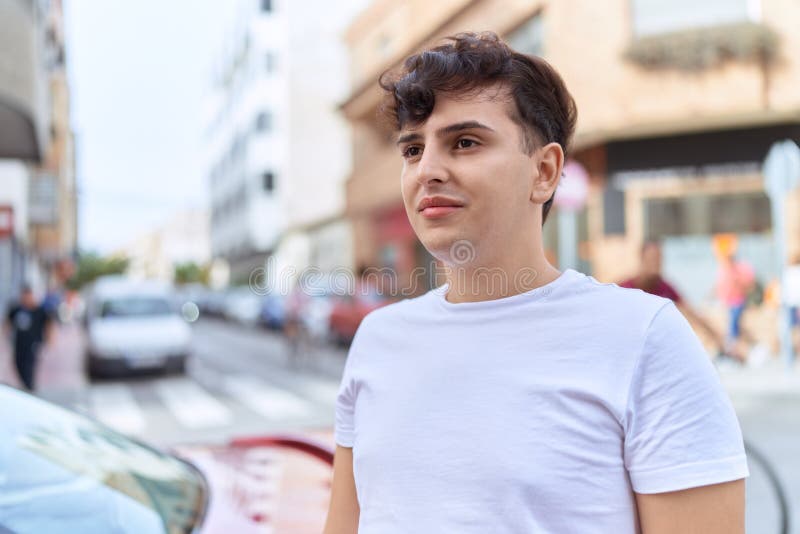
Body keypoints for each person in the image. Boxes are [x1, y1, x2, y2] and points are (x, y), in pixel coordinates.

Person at [324, 32, 747, 533]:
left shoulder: (642, 338)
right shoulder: (377, 340)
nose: (428, 171)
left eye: (464, 142)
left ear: (544, 172)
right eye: (413, 150)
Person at [620, 241, 740, 362]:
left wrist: (722, 342)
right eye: (652, 259)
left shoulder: (665, 288)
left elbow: (692, 313)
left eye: (659, 259)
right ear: (641, 259)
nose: (656, 264)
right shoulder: (625, 289)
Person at [4, 285, 53, 391]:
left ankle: (30, 390)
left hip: (32, 345)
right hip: (19, 344)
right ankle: (26, 388)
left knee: (28, 369)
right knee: (18, 365)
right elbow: (8, 323)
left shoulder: (39, 311)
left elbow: (48, 324)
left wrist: (49, 340)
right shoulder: (16, 309)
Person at [714, 236, 756, 357]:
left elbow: (749, 285)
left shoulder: (740, 268)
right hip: (728, 302)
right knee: (734, 326)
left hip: (738, 301)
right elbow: (720, 287)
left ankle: (733, 347)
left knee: (734, 326)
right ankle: (734, 347)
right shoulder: (723, 269)